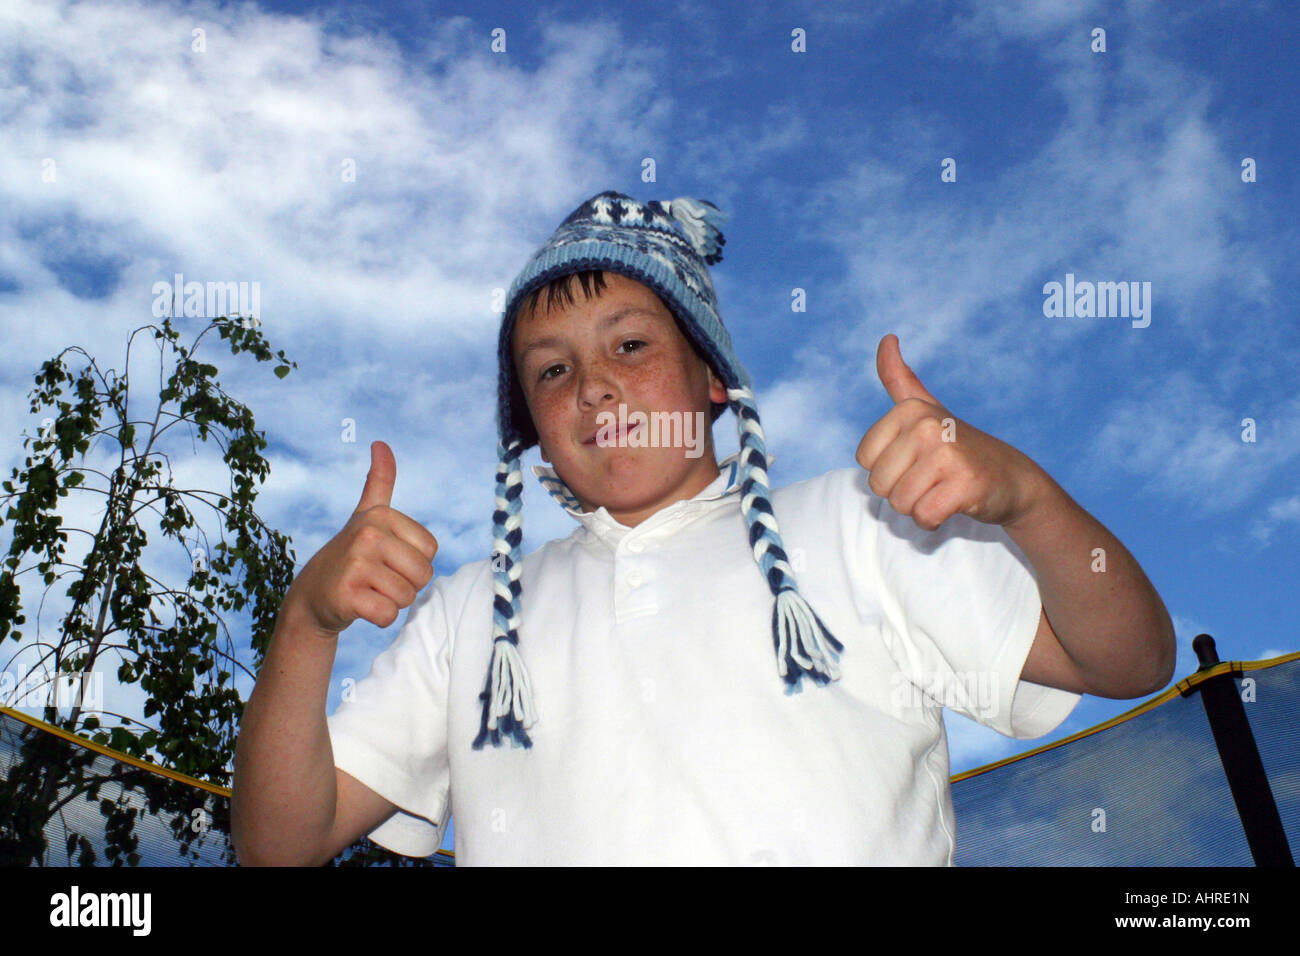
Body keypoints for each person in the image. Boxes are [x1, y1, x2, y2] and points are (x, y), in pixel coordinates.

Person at [230, 190, 1176, 866]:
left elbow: (1128, 662)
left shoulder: (857, 525)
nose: (593, 384)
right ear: (530, 428)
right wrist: (307, 623)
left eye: (631, 346)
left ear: (713, 379)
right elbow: (280, 843)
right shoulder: (472, 613)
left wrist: (1030, 500)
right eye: (550, 371)